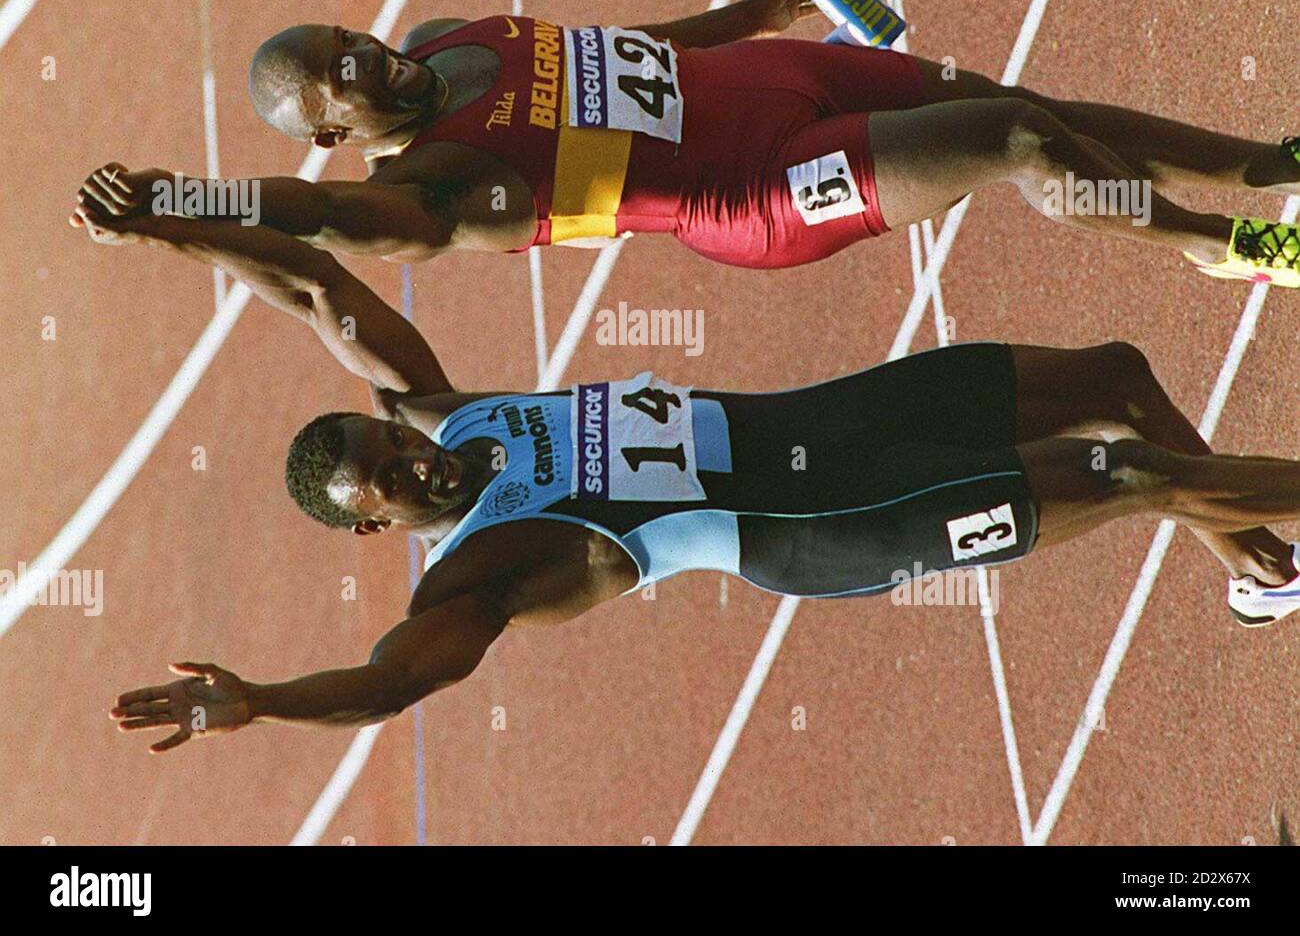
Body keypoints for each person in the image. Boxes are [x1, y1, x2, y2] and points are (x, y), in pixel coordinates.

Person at [70, 175, 1300, 755]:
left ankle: (1261, 567)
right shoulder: (476, 572)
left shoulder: (451, 412)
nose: (418, 464)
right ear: (369, 528)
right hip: (830, 528)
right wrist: (264, 700)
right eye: (393, 481)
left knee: (1117, 373)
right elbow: (389, 687)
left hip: (835, 419)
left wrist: (168, 230)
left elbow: (316, 280)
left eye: (394, 442)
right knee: (1127, 476)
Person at [80, 0, 1300, 281]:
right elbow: (320, 225)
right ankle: (1219, 247)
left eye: (343, 39)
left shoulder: (452, 38)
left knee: (1023, 104)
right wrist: (182, 204)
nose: (363, 59)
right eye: (338, 82)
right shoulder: (430, 189)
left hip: (784, 86)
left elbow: (631, 56)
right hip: (762, 191)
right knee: (1016, 149)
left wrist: (755, 12)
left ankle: (1266, 166)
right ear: (328, 133)